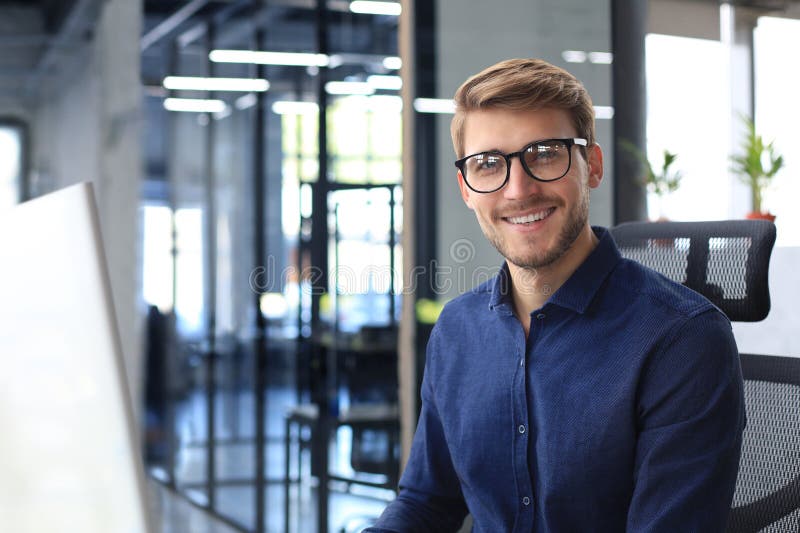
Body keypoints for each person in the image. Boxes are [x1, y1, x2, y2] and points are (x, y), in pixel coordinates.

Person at [367, 58, 745, 532]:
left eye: (545, 153)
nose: (519, 190)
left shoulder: (681, 339)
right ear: (466, 188)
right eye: (488, 164)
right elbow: (426, 501)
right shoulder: (457, 329)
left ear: (592, 166)